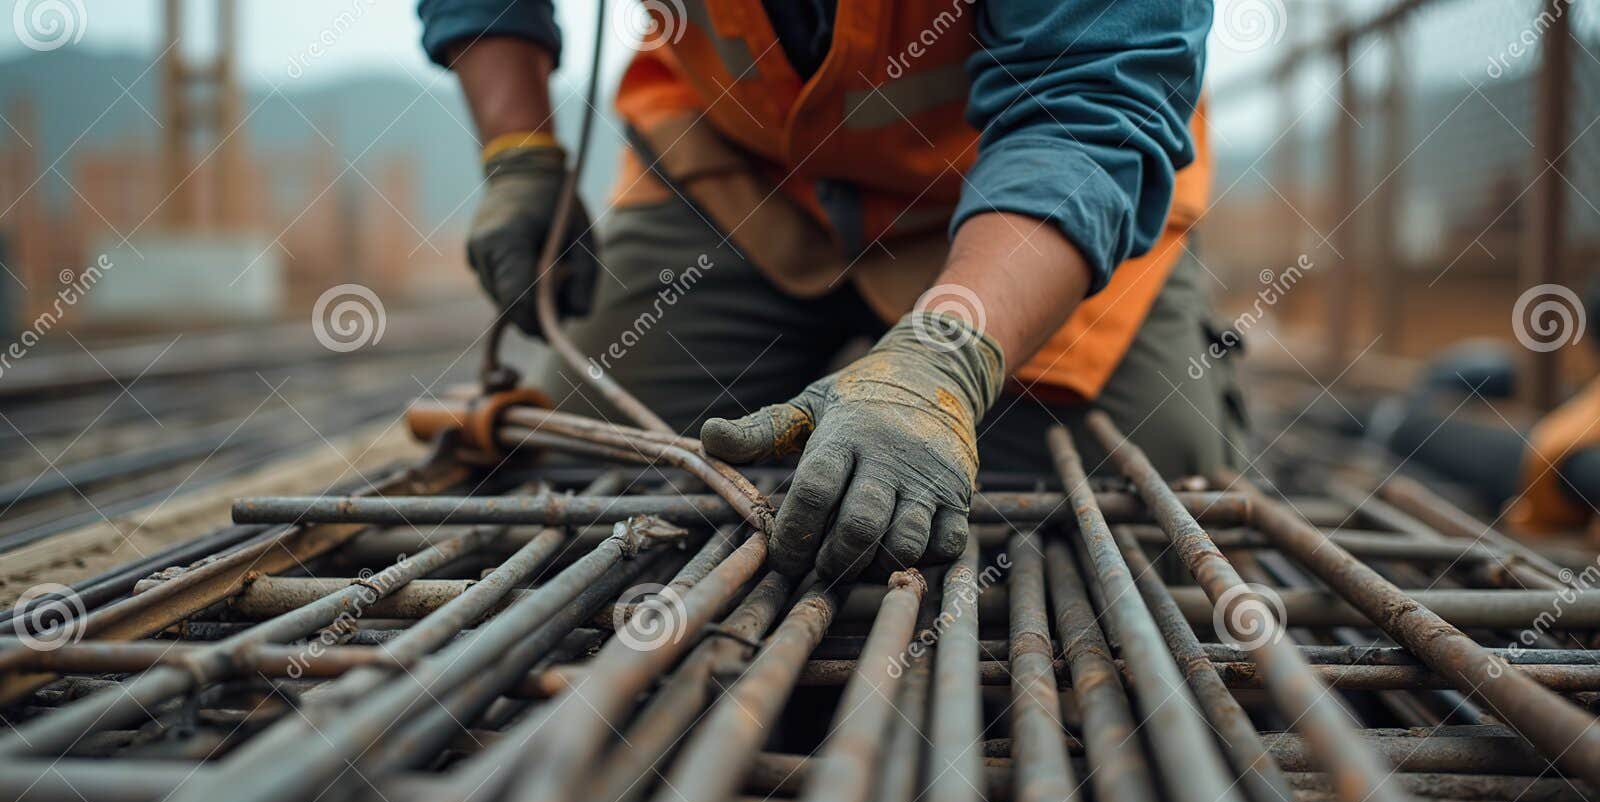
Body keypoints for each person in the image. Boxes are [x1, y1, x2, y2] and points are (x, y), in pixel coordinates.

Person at [419, 0, 1245, 581]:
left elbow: (1087, 106)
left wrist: (941, 366)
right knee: (583, 471)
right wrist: (519, 150)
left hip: (1021, 196)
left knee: (1121, 515)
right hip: (739, 167)